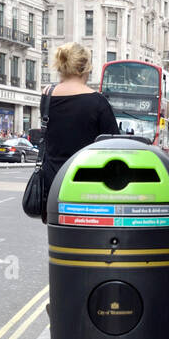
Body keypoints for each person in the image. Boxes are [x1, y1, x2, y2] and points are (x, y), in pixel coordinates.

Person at [38, 42, 119, 217]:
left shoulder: (47, 95)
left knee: (58, 237)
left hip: (53, 184)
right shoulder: (98, 102)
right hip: (88, 187)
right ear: (86, 68)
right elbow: (115, 146)